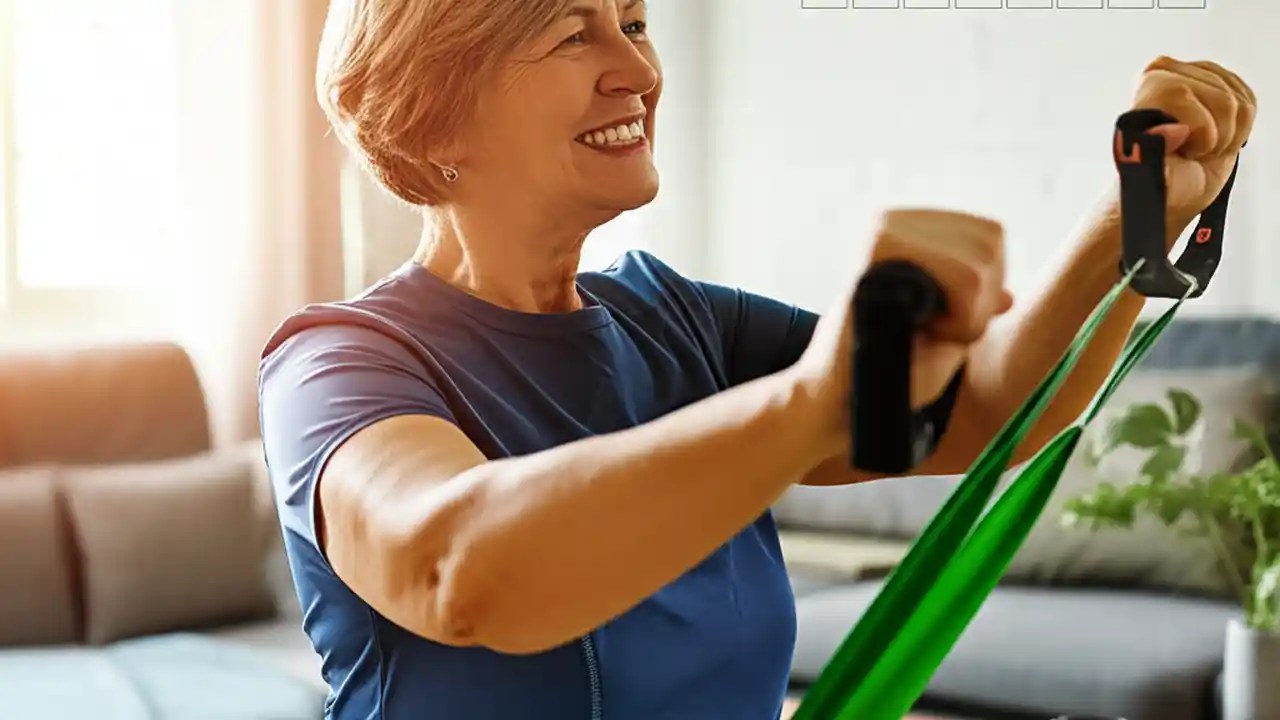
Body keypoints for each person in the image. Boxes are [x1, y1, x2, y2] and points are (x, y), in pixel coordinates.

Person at [256, 0, 1256, 717]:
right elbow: (458, 570)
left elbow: (994, 412)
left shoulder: (675, 318)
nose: (638, 72)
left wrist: (1134, 215)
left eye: (636, 23)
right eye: (570, 31)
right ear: (432, 114)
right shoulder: (340, 363)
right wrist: (815, 401)